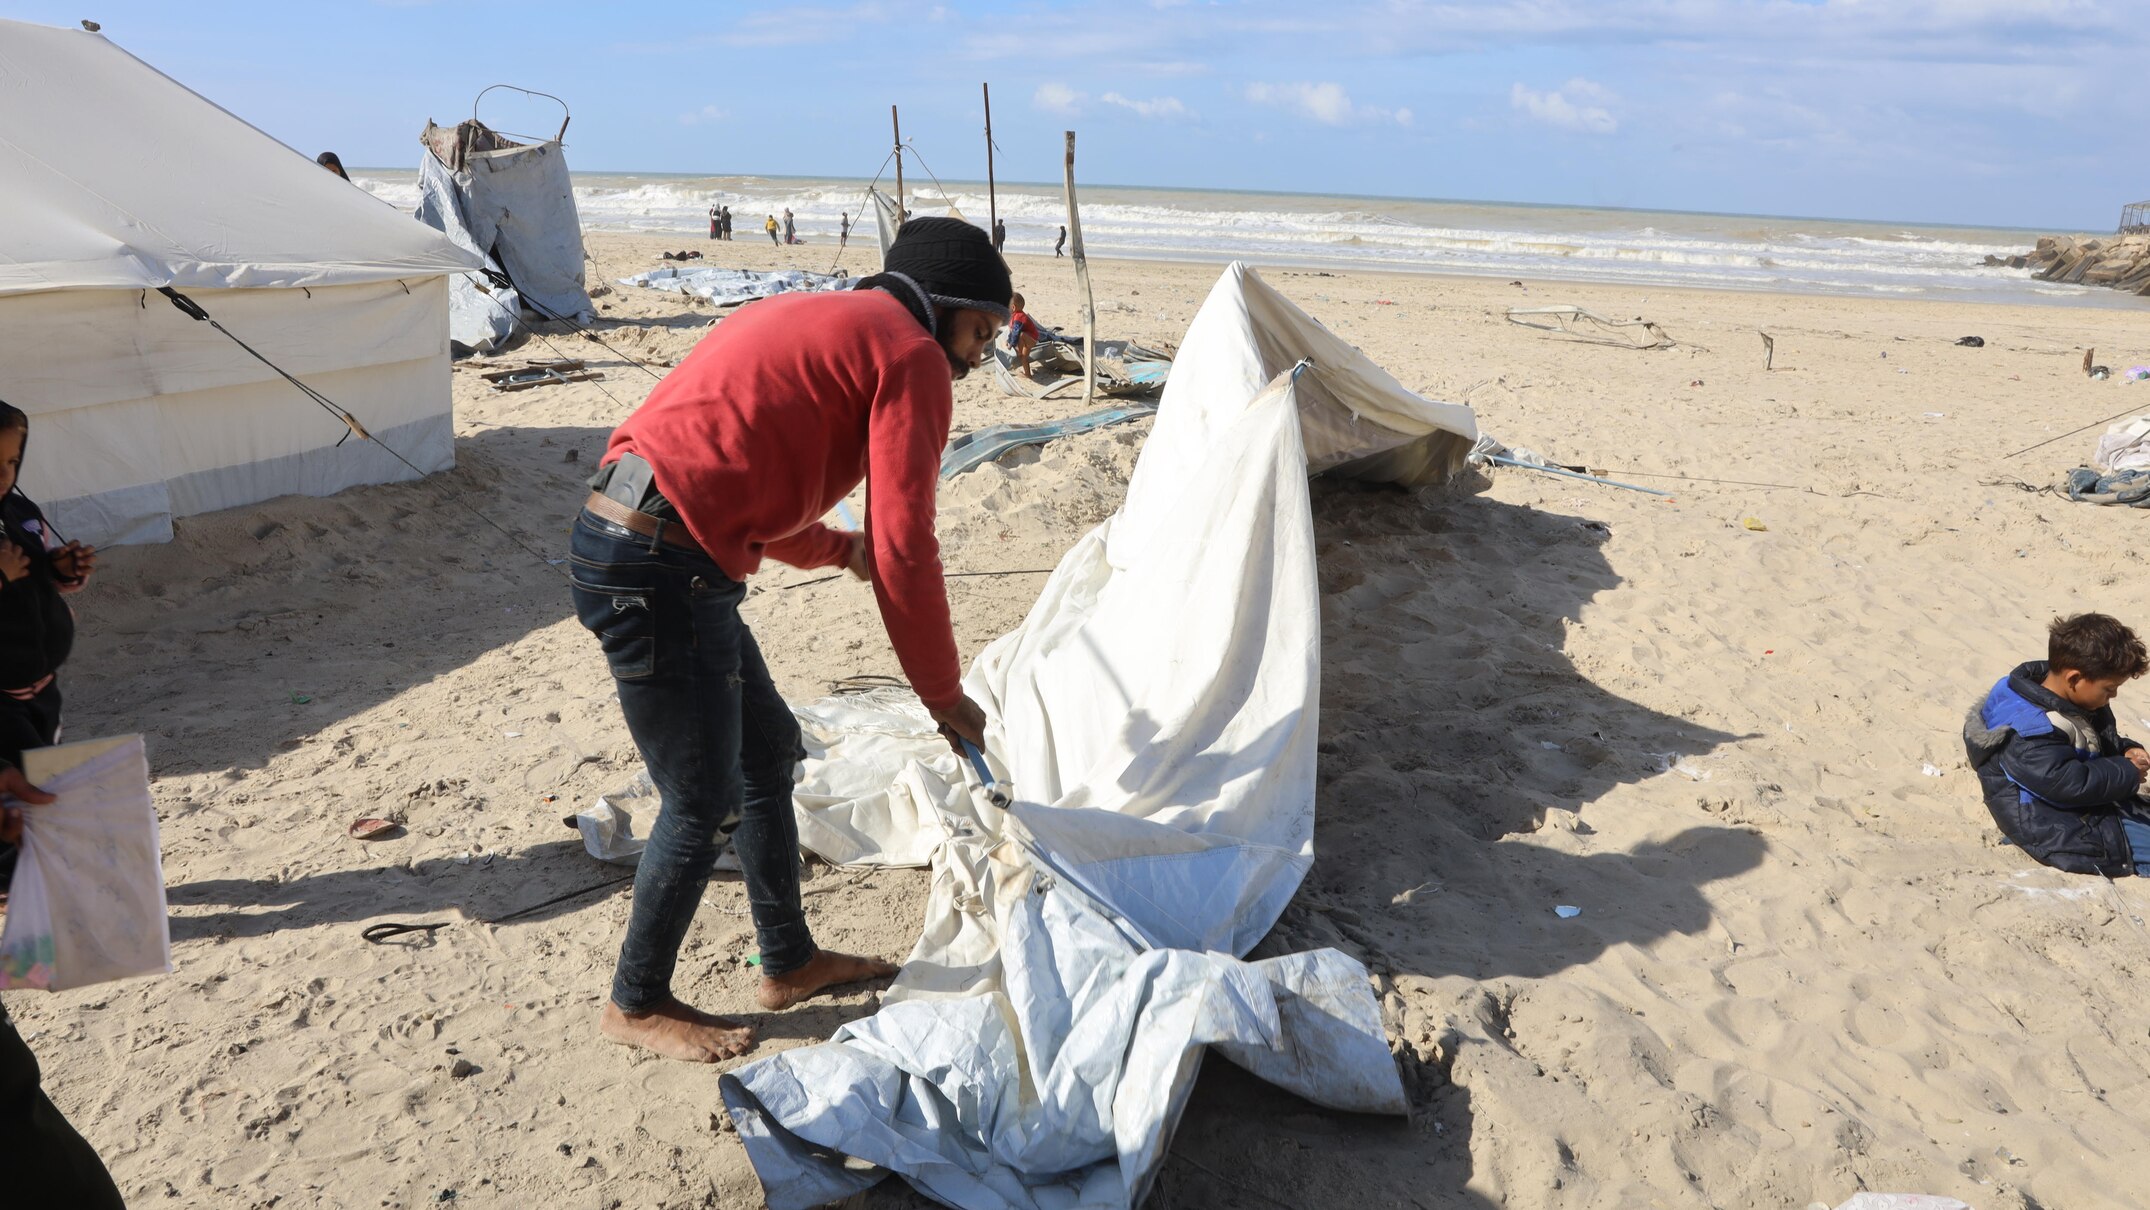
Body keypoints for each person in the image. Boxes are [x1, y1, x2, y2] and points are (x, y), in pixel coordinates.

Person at [567, 216, 1009, 1063]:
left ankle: (788, 960)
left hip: (644, 540)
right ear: (945, 307)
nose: (977, 355)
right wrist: (942, 693)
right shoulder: (912, 355)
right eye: (980, 333)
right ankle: (636, 1002)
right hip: (661, 568)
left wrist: (840, 551)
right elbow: (907, 544)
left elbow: (740, 485)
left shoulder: (822, 317)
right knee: (701, 798)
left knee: (768, 751)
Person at [1966, 612, 2150, 876]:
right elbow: (2068, 784)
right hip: (2054, 828)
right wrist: (2127, 771)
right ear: (2074, 679)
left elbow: (2089, 740)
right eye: (2109, 689)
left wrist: (2124, 749)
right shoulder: (2029, 730)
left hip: (2084, 806)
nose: (2114, 695)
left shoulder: (2068, 699)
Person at [0, 402, 96, 895]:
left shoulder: (20, 515)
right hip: (1, 700)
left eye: (12, 462)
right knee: (19, 787)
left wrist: (62, 570)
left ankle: (28, 872)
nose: (4, 474)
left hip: (43, 689)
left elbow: (39, 579)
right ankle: (11, 883)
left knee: (42, 773)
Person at [1007, 291, 1043, 379]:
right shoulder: (1014, 316)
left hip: (1031, 339)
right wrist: (1008, 340)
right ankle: (1028, 374)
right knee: (1023, 357)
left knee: (1020, 334)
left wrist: (1011, 344)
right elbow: (1011, 331)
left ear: (1013, 307)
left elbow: (1016, 332)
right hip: (1026, 339)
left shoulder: (1019, 317)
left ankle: (1019, 350)